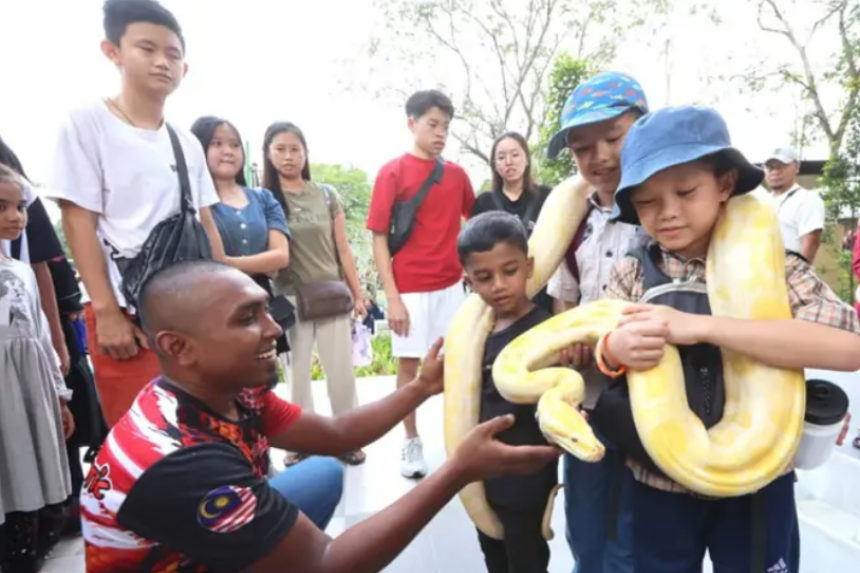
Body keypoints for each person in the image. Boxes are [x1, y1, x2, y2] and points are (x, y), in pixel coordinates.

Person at [79, 259, 561, 573]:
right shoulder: (177, 461)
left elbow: (335, 434)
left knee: (324, 469)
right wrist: (458, 469)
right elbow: (327, 564)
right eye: (247, 319)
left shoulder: (225, 390)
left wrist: (421, 387)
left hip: (196, 535)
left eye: (266, 312)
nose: (274, 330)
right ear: (178, 347)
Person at [598, 105, 860, 573]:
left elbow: (848, 347)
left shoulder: (778, 266)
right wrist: (612, 350)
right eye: (648, 201)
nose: (668, 212)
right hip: (658, 483)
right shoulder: (632, 271)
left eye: (684, 191)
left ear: (724, 186)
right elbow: (592, 355)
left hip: (759, 485)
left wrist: (699, 326)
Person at [44, 0, 226, 428]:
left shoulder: (185, 141)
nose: (163, 62)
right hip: (127, 315)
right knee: (145, 439)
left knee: (206, 432)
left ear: (186, 68)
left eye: (173, 53)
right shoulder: (86, 123)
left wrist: (227, 300)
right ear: (113, 51)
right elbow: (79, 220)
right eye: (148, 48)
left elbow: (205, 224)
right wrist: (107, 313)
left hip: (192, 312)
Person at [544, 71, 650, 573]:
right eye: (583, 148)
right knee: (584, 517)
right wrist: (568, 341)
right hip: (584, 397)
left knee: (634, 522)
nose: (599, 156)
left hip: (646, 398)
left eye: (614, 137)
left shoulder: (664, 209)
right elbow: (563, 298)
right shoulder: (571, 219)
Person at [367, 89, 476, 478]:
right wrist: (392, 298)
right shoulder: (392, 172)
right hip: (409, 288)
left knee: (458, 364)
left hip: (452, 288)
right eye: (432, 124)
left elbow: (476, 222)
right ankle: (411, 442)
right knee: (409, 367)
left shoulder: (457, 175)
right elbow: (379, 237)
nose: (440, 133)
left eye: (445, 126)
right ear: (411, 123)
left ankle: (459, 441)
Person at [457, 211, 560, 573]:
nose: (498, 285)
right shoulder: (473, 334)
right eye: (484, 277)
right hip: (484, 472)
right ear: (468, 281)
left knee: (527, 560)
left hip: (526, 472)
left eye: (510, 271)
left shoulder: (548, 329)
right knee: (494, 558)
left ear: (529, 266)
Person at [262, 122, 367, 466]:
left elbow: (343, 248)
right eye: (280, 149)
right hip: (290, 298)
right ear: (268, 154)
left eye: (295, 149)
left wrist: (358, 292)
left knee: (341, 372)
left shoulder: (326, 194)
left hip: (331, 295)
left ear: (306, 153)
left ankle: (347, 438)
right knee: (298, 376)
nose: (289, 156)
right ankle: (300, 441)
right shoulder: (264, 199)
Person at [0, 164, 75, 573]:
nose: (15, 217)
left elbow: (41, 339)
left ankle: (23, 553)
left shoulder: (22, 272)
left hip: (29, 395)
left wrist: (59, 397)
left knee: (28, 473)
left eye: (21, 206)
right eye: (2, 207)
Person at [190, 116, 292, 358]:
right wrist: (259, 263)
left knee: (262, 377)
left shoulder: (263, 198)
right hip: (212, 305)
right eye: (216, 144)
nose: (228, 151)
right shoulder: (192, 202)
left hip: (260, 303)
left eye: (235, 145)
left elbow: (281, 256)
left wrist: (226, 263)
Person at [471, 131, 554, 315]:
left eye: (515, 154)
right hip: (500, 295)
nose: (509, 161)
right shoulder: (484, 202)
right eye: (501, 157)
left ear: (526, 159)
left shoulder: (547, 197)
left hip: (543, 291)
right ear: (495, 165)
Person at [763, 146, 825, 263]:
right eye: (770, 167)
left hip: (788, 276)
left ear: (796, 167)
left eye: (782, 166)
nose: (775, 171)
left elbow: (811, 243)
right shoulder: (761, 201)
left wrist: (797, 276)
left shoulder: (807, 199)